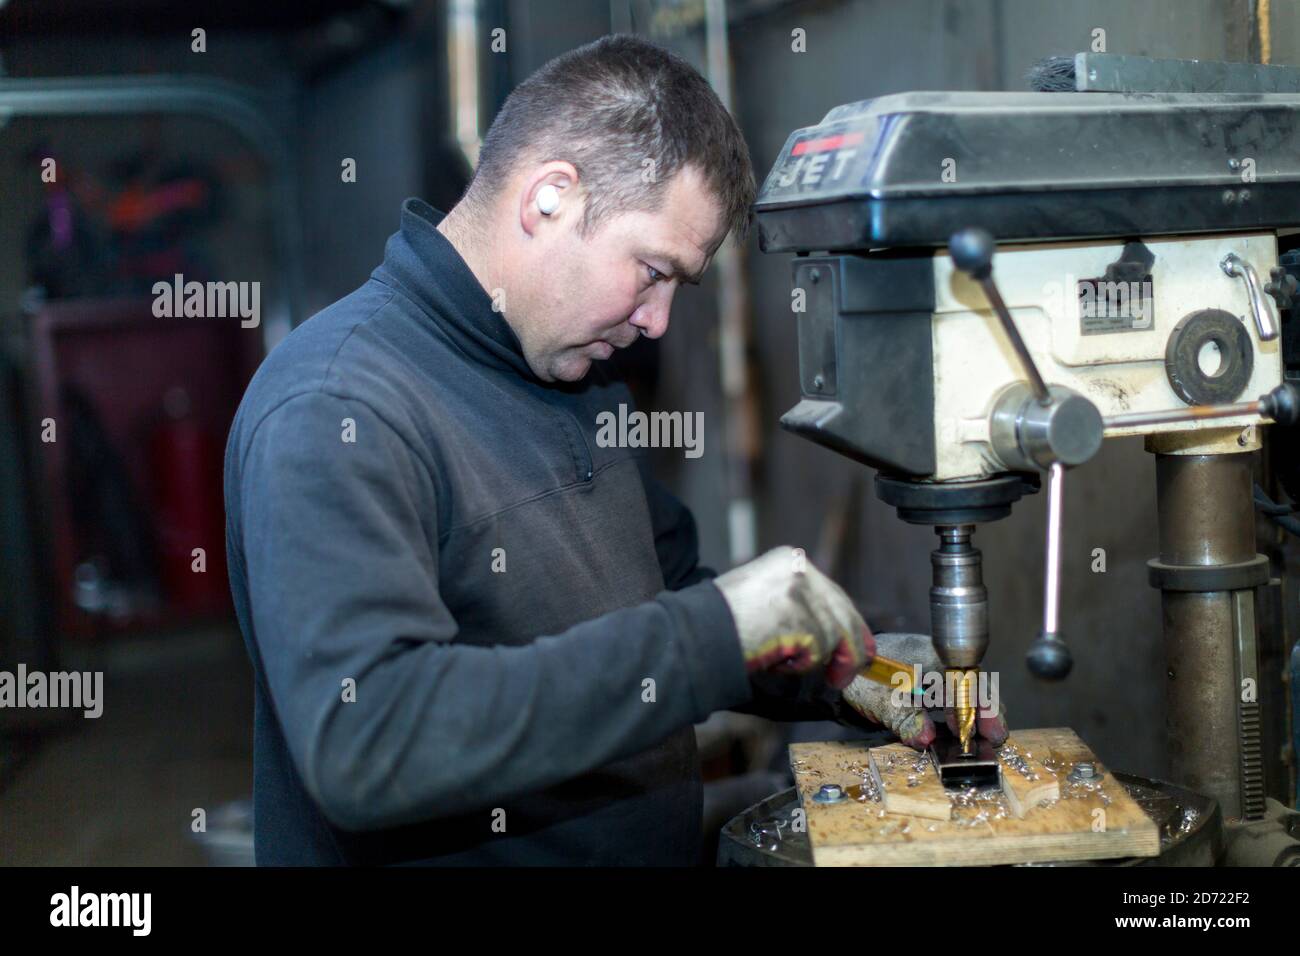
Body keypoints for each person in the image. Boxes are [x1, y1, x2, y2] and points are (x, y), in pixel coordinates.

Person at [224, 34, 1003, 866]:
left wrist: (849, 672)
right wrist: (714, 631)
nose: (657, 322)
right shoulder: (340, 408)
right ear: (550, 198)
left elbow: (665, 613)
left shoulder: (576, 379)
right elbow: (367, 737)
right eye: (652, 271)